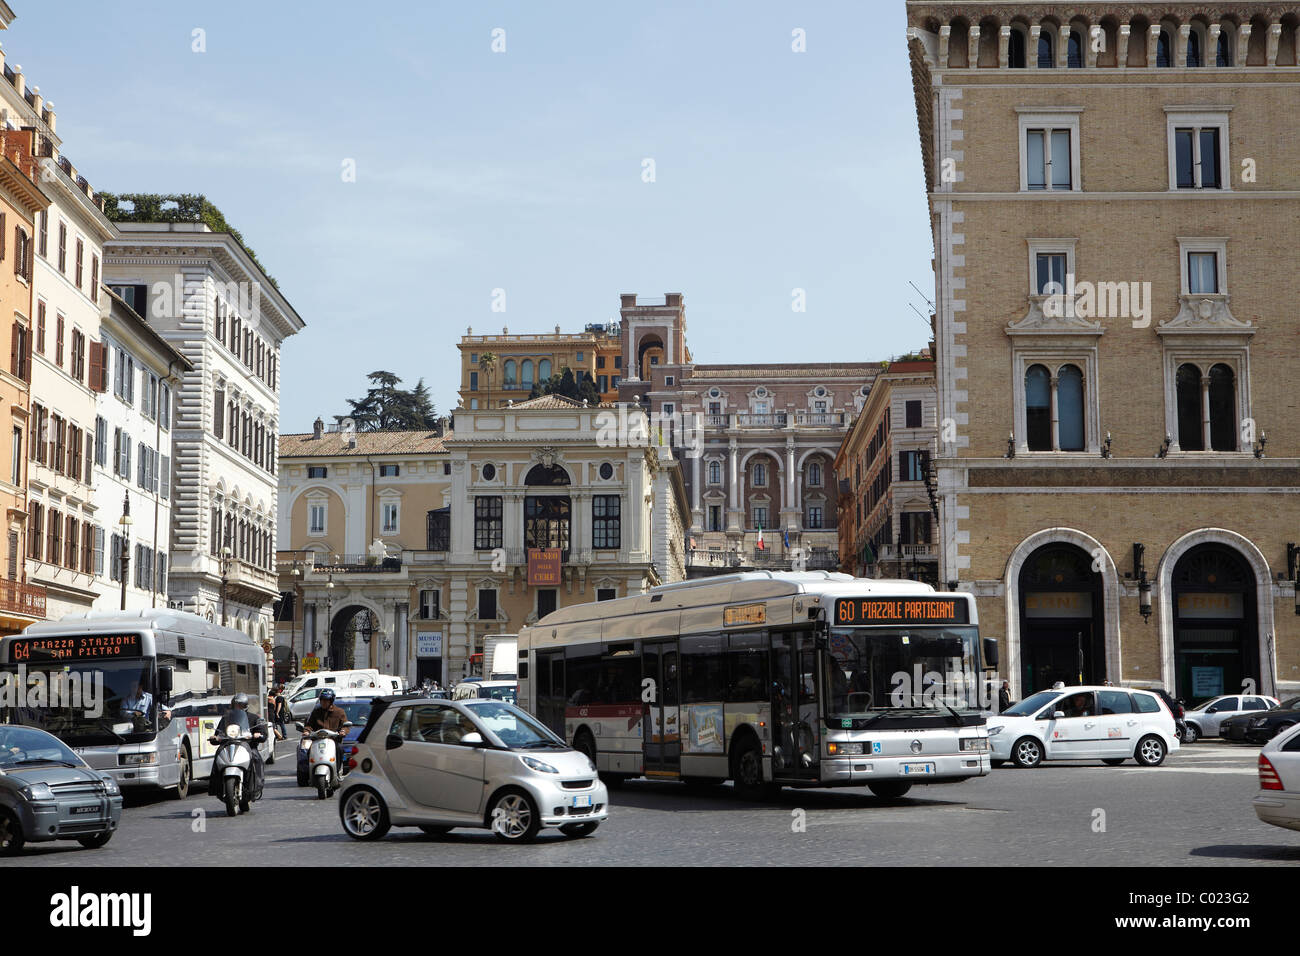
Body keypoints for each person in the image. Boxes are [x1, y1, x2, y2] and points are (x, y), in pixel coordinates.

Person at [210, 693, 267, 799]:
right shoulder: (226, 718)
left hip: (247, 746)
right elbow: (219, 732)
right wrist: (216, 737)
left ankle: (256, 786)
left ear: (245, 705)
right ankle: (216, 787)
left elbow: (262, 733)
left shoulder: (254, 718)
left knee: (256, 758)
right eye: (235, 705)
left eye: (240, 705)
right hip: (228, 744)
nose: (237, 707)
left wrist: (258, 734)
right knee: (218, 755)